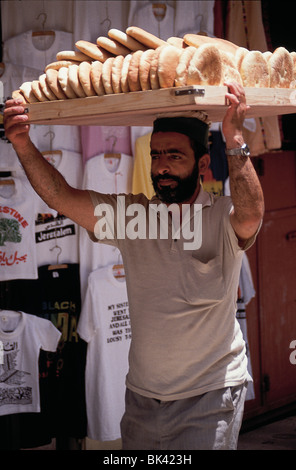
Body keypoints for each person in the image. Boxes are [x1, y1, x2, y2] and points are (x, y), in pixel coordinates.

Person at [4, 81, 264, 450]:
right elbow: (60, 197)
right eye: (157, 155)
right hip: (142, 397)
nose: (162, 167)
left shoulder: (221, 217)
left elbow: (252, 215)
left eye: (175, 156)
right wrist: (22, 144)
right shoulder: (133, 216)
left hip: (209, 395)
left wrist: (235, 140)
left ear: (203, 164)